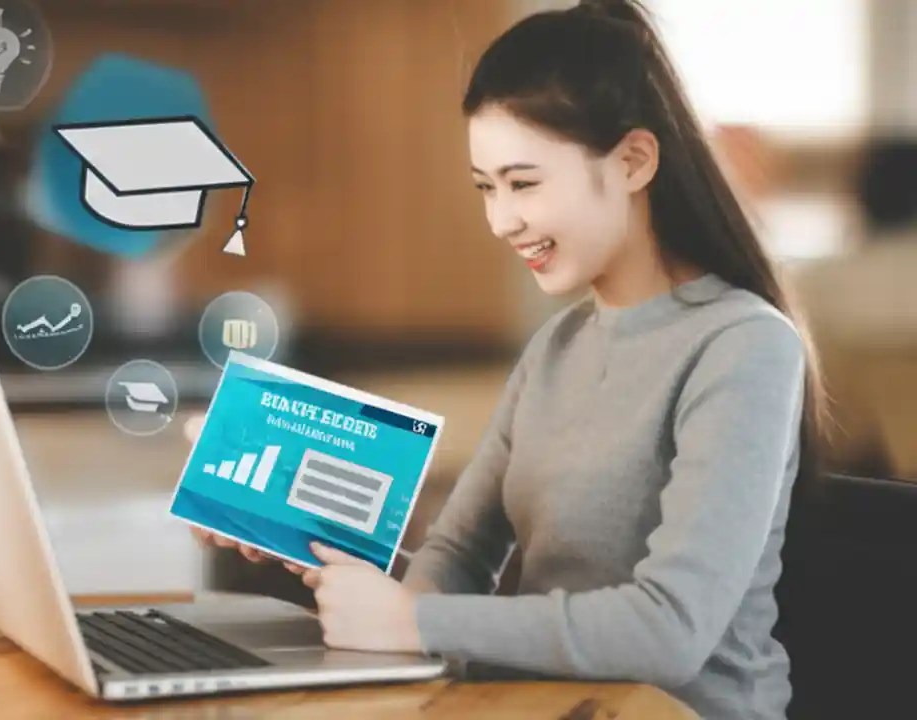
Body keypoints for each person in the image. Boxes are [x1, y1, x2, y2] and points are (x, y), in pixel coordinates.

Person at [191, 1, 826, 717]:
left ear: (634, 161)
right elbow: (458, 558)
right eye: (486, 188)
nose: (501, 219)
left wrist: (411, 622)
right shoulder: (557, 346)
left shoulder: (743, 344)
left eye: (524, 183)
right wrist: (309, 537)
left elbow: (670, 630)